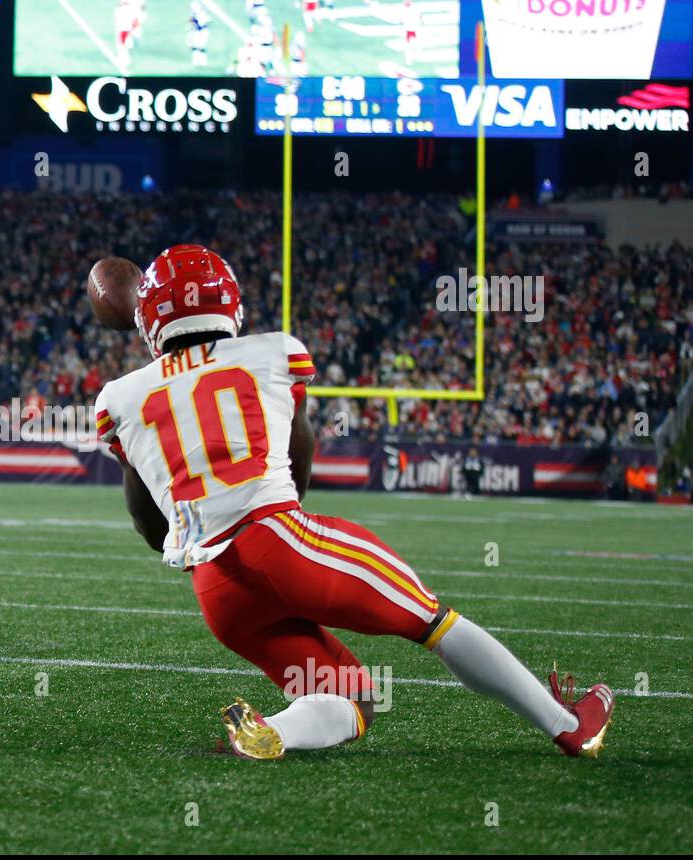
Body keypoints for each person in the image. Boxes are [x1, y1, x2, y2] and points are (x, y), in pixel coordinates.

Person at [94, 245, 614, 760]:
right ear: (229, 302)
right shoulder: (273, 352)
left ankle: (271, 730)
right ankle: (569, 726)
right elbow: (301, 453)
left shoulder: (120, 398)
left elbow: (149, 525)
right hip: (280, 538)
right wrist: (281, 533)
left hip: (216, 589)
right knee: (434, 622)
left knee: (353, 696)